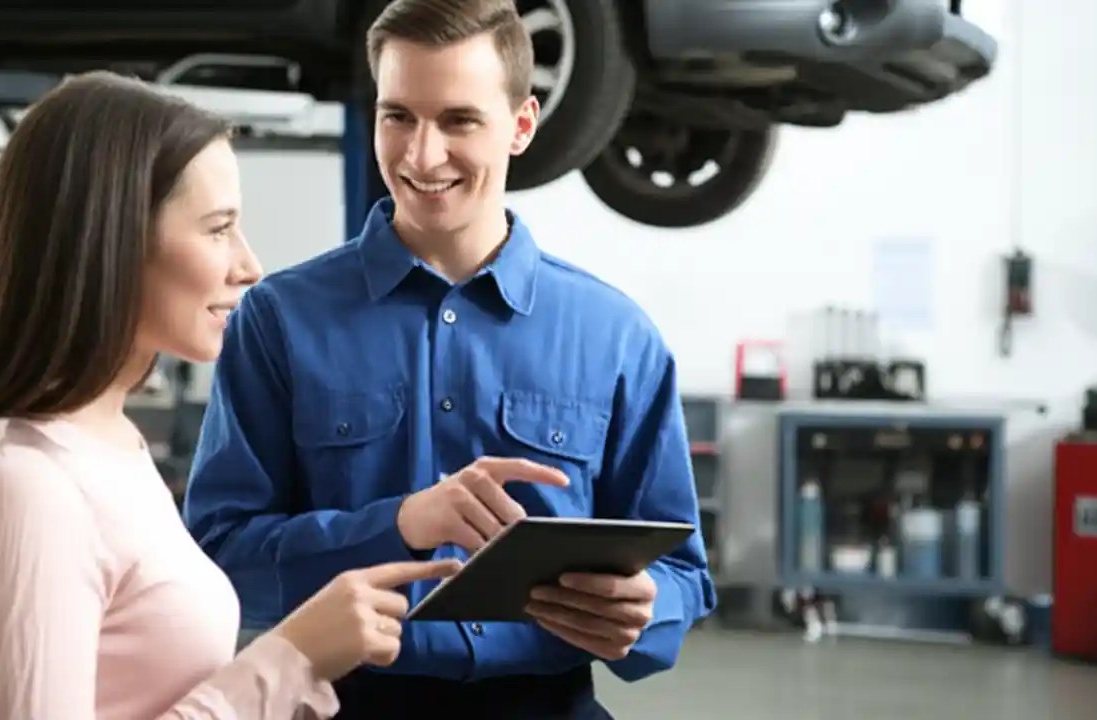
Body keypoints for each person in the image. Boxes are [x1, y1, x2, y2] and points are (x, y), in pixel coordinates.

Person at [184, 0, 716, 717]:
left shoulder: (617, 336)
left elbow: (683, 572)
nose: (420, 155)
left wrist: (646, 609)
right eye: (397, 115)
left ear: (522, 125)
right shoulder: (279, 322)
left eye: (459, 121)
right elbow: (221, 560)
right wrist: (398, 525)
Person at [0, 71, 459, 720]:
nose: (249, 265)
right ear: (113, 241)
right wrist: (288, 660)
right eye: (217, 229)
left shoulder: (108, 448)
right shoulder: (21, 483)